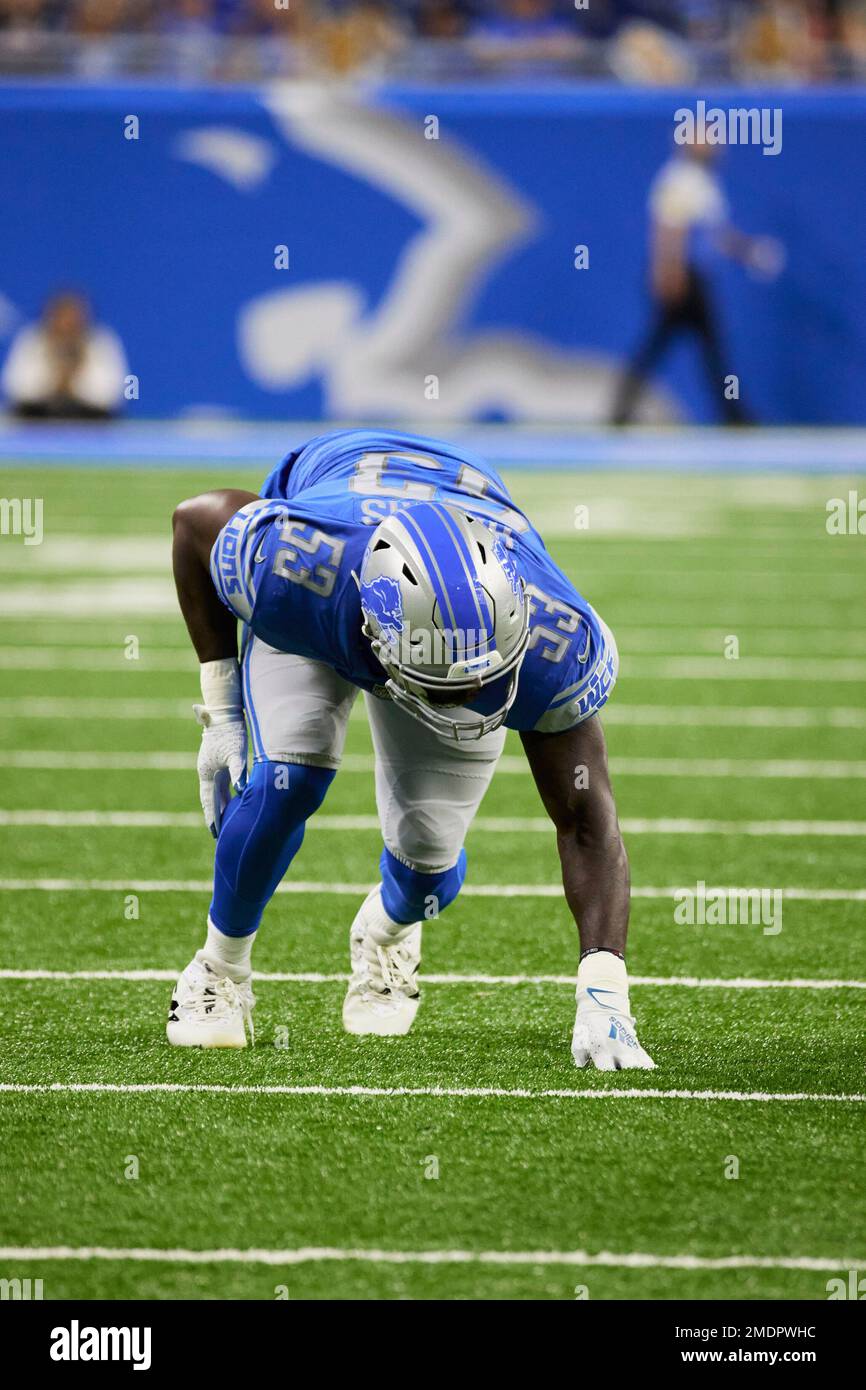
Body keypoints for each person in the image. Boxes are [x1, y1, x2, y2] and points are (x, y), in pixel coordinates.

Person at [169, 427, 655, 1071]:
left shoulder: (550, 643)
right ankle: (218, 970)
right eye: (444, 689)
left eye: (479, 684)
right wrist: (222, 711)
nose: (463, 704)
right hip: (337, 554)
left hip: (459, 534)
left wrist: (606, 994)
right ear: (376, 633)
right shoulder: (295, 569)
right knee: (288, 778)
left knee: (428, 861)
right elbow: (194, 523)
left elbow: (588, 824)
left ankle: (388, 931)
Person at [611, 135, 784, 425]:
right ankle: (731, 415)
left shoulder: (703, 182)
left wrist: (749, 252)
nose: (716, 147)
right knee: (675, 348)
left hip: (696, 277)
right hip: (683, 276)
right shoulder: (682, 179)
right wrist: (669, 271)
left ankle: (732, 414)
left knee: (701, 350)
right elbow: (669, 227)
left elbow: (715, 235)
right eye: (708, 141)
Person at [2, 290, 128, 419]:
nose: (67, 324)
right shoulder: (31, 339)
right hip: (37, 421)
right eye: (61, 317)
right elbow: (16, 388)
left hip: (90, 423)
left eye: (74, 318)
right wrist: (55, 380)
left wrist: (74, 381)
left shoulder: (101, 342)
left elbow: (111, 394)